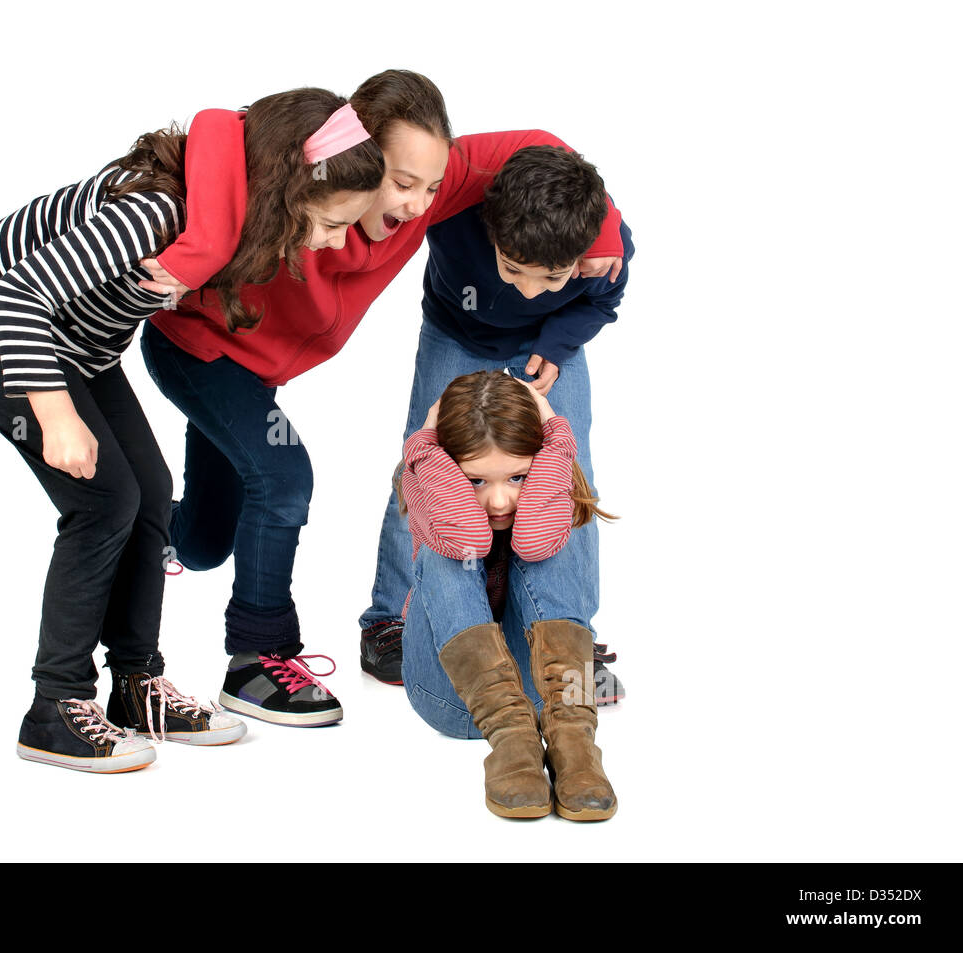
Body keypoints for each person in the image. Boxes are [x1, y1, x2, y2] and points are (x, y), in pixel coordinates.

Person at [136, 70, 626, 726]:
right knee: (311, 476)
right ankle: (272, 653)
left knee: (205, 539)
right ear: (359, 155)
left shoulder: (432, 187)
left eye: (431, 185)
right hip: (199, 346)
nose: (420, 203)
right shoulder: (303, 176)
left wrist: (599, 235)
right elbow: (218, 127)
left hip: (257, 372)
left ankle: (151, 533)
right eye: (400, 182)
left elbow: (544, 153)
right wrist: (199, 248)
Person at [0, 89, 385, 771]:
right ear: (289, 191)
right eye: (329, 222)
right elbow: (19, 293)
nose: (332, 241)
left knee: (150, 492)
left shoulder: (224, 221)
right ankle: (54, 707)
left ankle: (136, 684)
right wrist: (54, 413)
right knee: (103, 499)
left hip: (79, 348)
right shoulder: (157, 213)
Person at [360, 142, 633, 702]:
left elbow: (603, 303)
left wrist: (556, 346)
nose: (527, 289)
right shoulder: (458, 202)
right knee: (426, 464)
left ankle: (568, 637)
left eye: (551, 278)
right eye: (512, 269)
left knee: (568, 479)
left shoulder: (607, 252)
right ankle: (391, 620)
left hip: (545, 347)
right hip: (456, 333)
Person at [398, 369, 617, 820]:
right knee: (450, 556)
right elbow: (466, 539)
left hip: (544, 699)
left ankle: (574, 742)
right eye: (476, 481)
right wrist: (424, 442)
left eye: (517, 477)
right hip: (455, 701)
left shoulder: (543, 502)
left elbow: (535, 538)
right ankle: (514, 745)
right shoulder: (437, 502)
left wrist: (555, 438)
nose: (499, 502)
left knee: (548, 542)